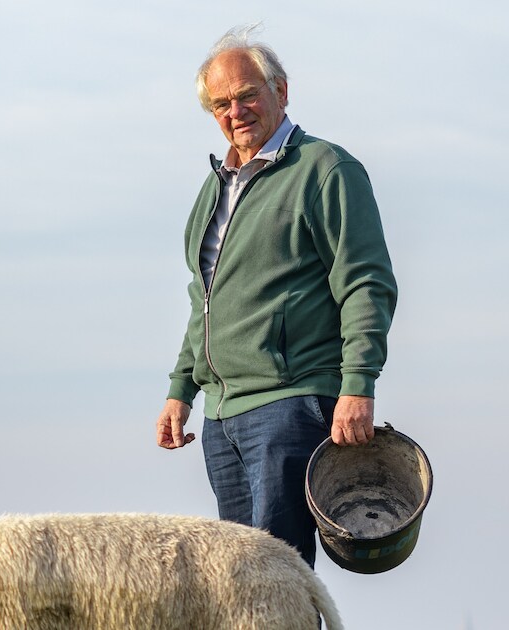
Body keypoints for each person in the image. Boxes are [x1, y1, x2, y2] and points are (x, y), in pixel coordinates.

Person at [155, 24, 397, 568]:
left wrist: (357, 386)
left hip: (290, 404)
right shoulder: (216, 187)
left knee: (277, 577)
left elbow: (366, 282)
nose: (235, 111)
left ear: (280, 92)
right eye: (221, 103)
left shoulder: (325, 169)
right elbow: (206, 298)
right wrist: (181, 391)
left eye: (247, 94)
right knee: (242, 585)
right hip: (222, 417)